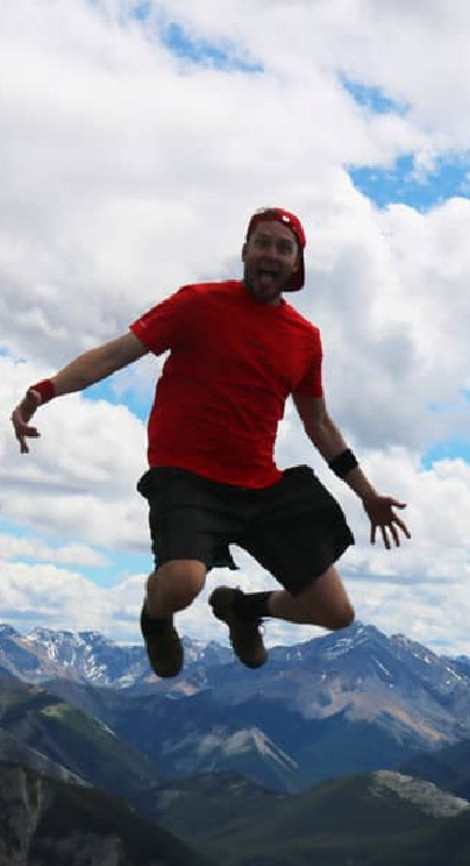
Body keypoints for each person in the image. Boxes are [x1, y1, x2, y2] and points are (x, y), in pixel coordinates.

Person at [10, 207, 410, 678]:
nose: (271, 254)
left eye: (284, 248)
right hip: (186, 476)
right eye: (262, 243)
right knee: (182, 583)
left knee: (336, 613)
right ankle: (155, 617)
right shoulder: (197, 304)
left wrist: (368, 494)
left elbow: (319, 423)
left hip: (261, 486)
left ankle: (243, 609)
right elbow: (116, 353)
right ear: (245, 251)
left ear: (296, 264)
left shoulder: (304, 339)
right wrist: (44, 391)